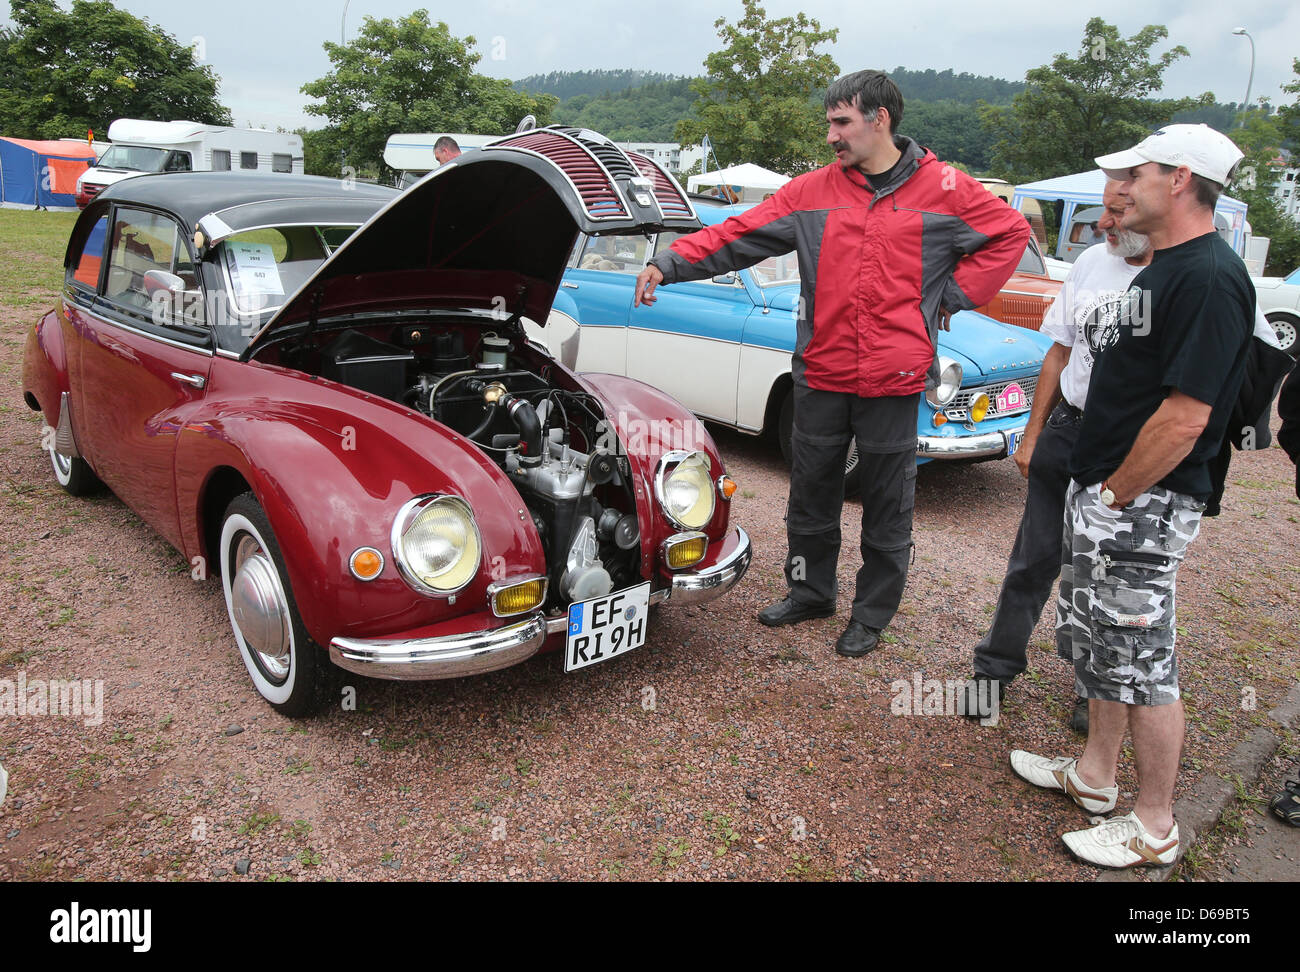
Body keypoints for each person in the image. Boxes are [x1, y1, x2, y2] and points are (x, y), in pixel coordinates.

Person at [633, 70, 1028, 657]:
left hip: (896, 375)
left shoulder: (946, 188)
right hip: (821, 368)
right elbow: (738, 233)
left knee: (888, 501)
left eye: (841, 122)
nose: (831, 136)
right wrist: (670, 261)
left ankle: (871, 614)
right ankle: (810, 591)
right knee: (811, 492)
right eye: (829, 123)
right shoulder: (813, 190)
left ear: (880, 120)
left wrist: (952, 295)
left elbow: (1009, 232)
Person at [1010, 124, 1255, 868]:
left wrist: (1113, 496)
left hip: (1140, 505)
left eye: (1134, 172)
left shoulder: (1209, 277)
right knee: (1102, 646)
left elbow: (1186, 418)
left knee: (1144, 659)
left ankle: (1154, 824)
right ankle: (1094, 777)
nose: (1120, 187)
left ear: (1179, 179)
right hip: (1109, 495)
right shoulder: (1163, 266)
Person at [967, 180, 1152, 730]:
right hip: (1070, 430)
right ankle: (994, 671)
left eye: (1116, 215)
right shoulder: (1094, 262)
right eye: (1103, 212)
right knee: (1034, 557)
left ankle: (1090, 688)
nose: (1103, 225)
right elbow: (1059, 353)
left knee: (1104, 573)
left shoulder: (1184, 276)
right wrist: (1031, 435)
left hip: (1129, 444)